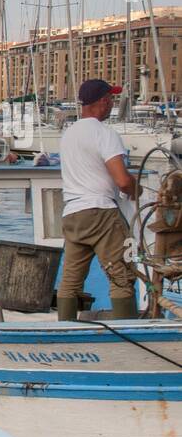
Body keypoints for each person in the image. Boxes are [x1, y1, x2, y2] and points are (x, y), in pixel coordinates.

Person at [56, 79, 138, 321]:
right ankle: (129, 337)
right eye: (111, 99)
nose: (112, 103)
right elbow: (122, 181)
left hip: (73, 214)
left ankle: (64, 331)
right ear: (103, 101)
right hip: (100, 212)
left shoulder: (68, 135)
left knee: (70, 281)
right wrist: (138, 190)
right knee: (121, 277)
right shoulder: (105, 134)